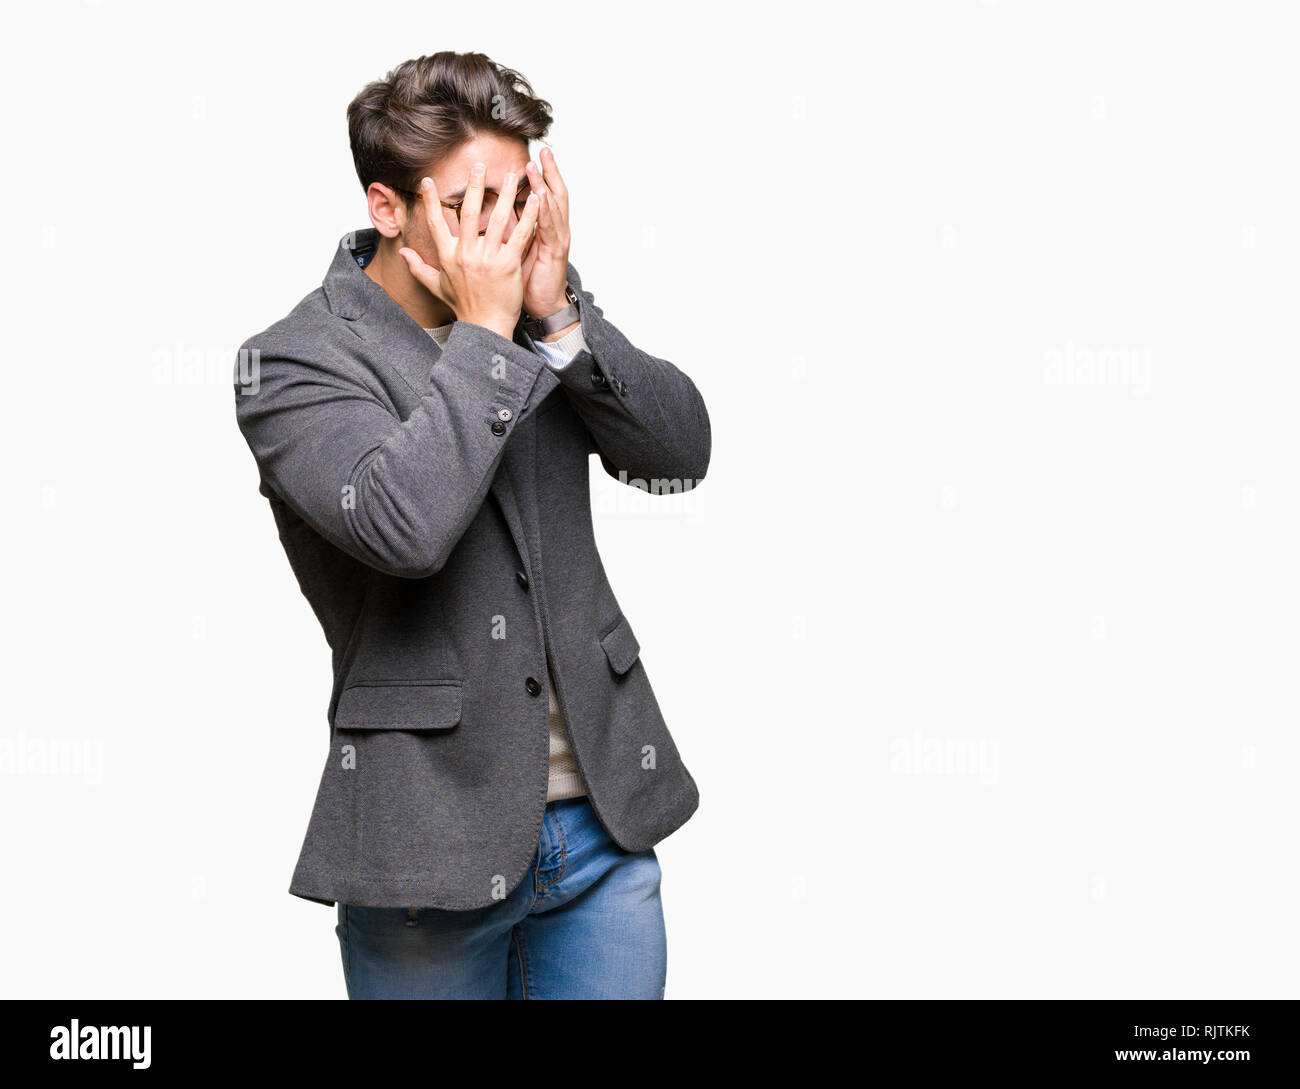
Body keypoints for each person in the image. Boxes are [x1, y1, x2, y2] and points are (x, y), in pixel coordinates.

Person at [232, 51, 711, 999]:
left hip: (602, 831)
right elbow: (403, 528)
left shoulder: (534, 307)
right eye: (466, 206)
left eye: (517, 198)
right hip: (427, 851)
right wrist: (490, 337)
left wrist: (561, 319)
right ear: (387, 207)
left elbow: (679, 454)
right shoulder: (290, 363)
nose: (499, 233)